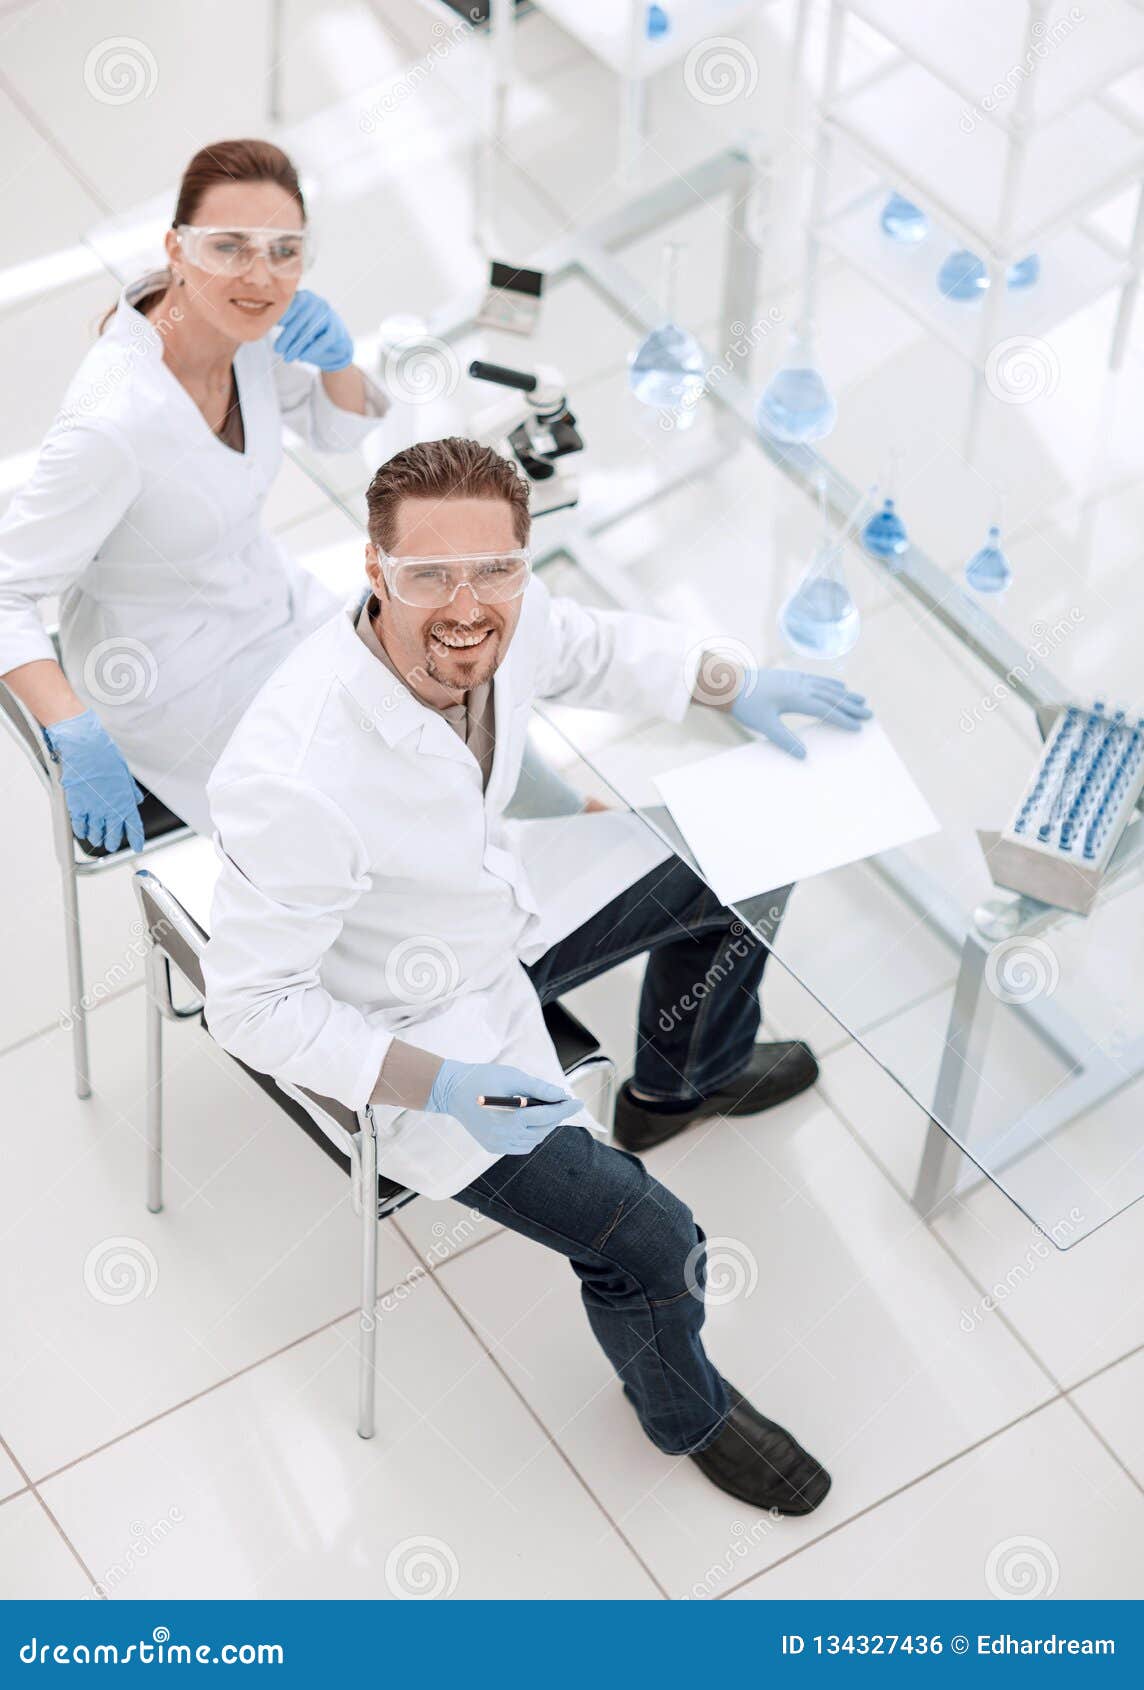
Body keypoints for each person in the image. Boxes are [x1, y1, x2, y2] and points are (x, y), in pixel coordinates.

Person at [202, 437, 872, 1510]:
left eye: (497, 569)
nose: (467, 605)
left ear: (521, 557)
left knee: (752, 852)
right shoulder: (296, 772)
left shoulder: (501, 609)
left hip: (495, 908)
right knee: (650, 1239)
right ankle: (683, 1411)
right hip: (414, 1021)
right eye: (428, 576)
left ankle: (680, 1078)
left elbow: (593, 646)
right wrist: (441, 1085)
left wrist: (729, 684)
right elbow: (249, 1003)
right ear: (375, 574)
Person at [0, 138, 387, 844]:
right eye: (230, 247)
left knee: (439, 711)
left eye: (284, 250)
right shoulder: (115, 422)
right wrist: (73, 731)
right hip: (174, 683)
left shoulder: (248, 336)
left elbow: (336, 430)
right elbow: (4, 591)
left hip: (272, 605)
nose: (262, 277)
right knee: (365, 811)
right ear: (176, 249)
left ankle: (572, 829)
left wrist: (338, 359)